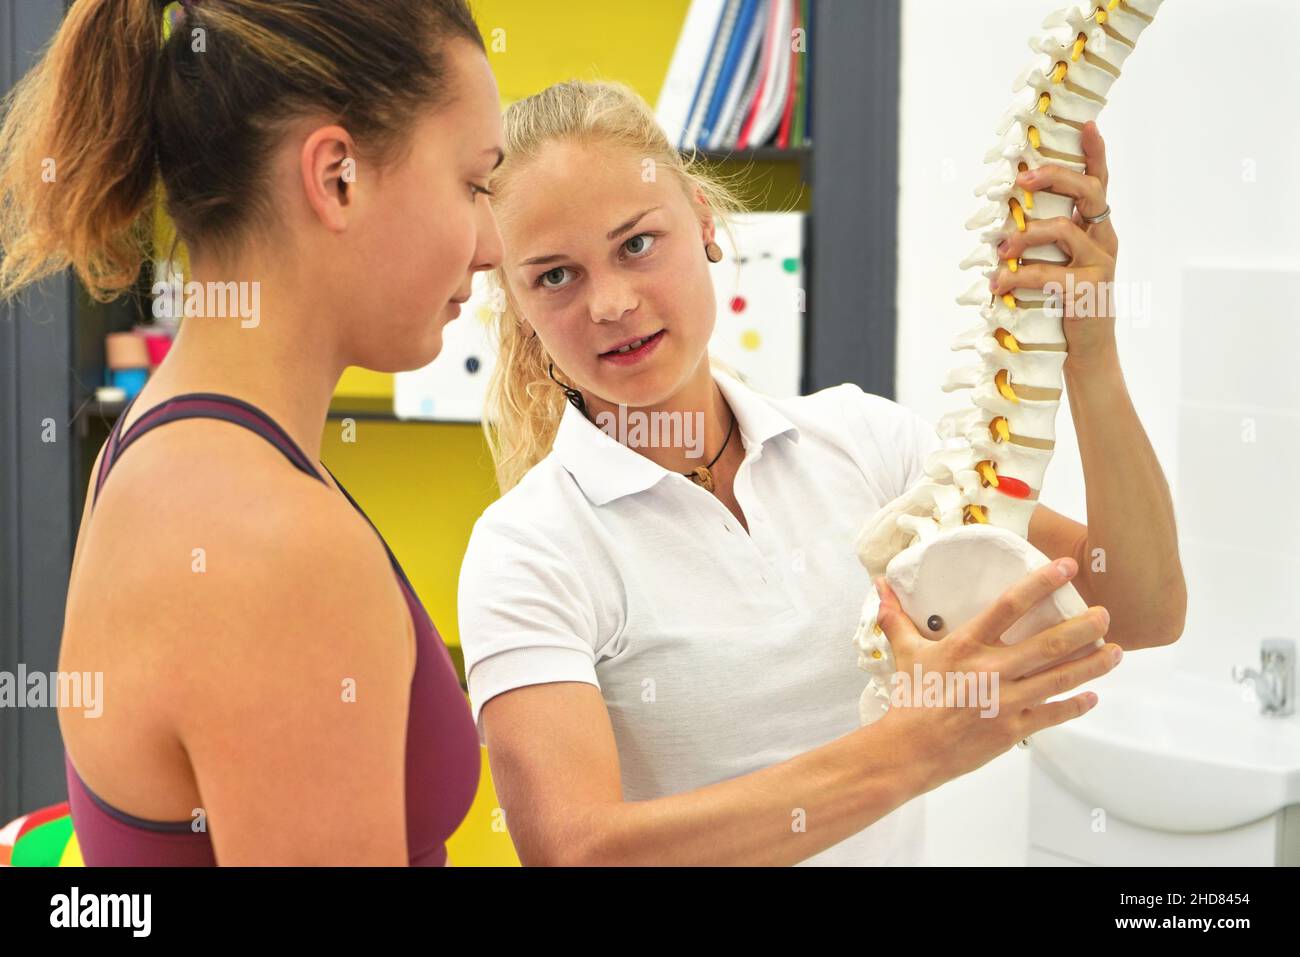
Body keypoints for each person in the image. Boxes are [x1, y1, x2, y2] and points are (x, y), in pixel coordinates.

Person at [456, 80, 1186, 865]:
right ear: (516, 301)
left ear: (703, 221)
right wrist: (916, 746)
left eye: (637, 243)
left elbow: (1141, 609)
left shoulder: (864, 443)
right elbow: (574, 851)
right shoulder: (529, 548)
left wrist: (1093, 357)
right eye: (555, 276)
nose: (609, 303)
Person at [0, 0, 504, 865]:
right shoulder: (268, 546)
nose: (492, 242)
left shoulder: (170, 444)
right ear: (336, 175)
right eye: (473, 183)